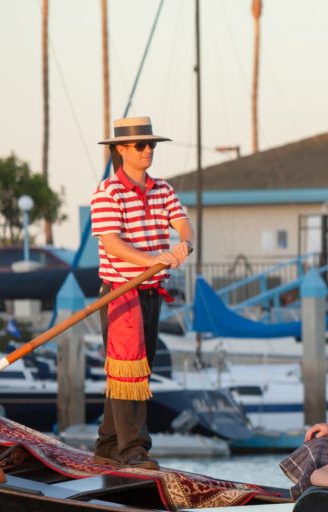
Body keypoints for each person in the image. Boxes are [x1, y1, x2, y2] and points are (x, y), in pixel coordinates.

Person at [91, 116, 194, 470]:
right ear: (121, 149)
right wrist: (153, 259)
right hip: (121, 293)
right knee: (128, 369)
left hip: (151, 292)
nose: (148, 150)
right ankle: (133, 448)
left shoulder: (162, 189)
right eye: (140, 145)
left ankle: (107, 443)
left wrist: (184, 243)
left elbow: (181, 221)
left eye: (151, 144)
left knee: (138, 369)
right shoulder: (108, 193)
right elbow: (112, 243)